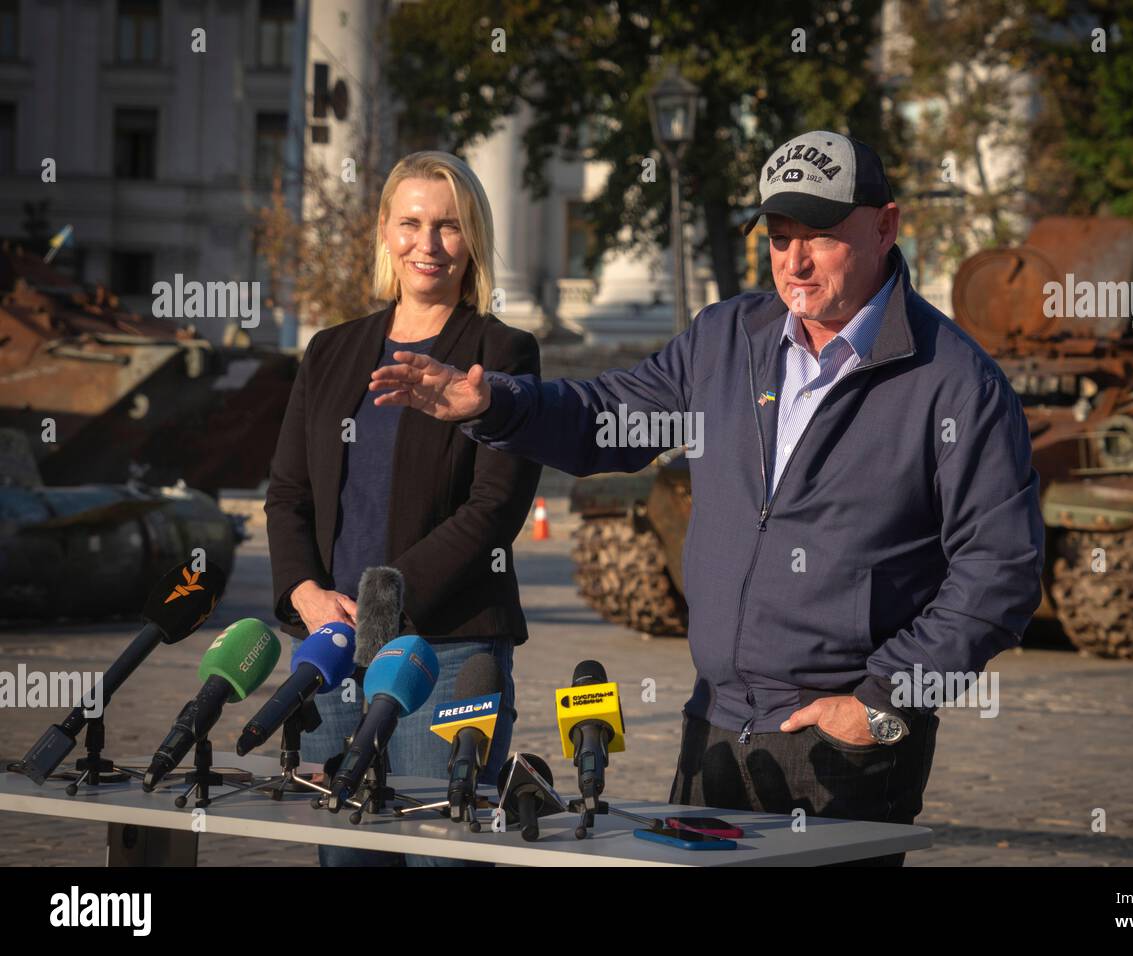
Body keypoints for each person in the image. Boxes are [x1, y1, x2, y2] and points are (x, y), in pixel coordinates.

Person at [370, 131, 1045, 865]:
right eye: (779, 237)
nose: (795, 261)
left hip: (844, 753)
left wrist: (881, 703)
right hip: (714, 732)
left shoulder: (956, 382)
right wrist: (493, 404)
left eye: (820, 235)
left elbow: (1000, 573)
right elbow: (608, 418)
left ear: (886, 225)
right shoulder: (728, 336)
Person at [264, 150, 541, 866]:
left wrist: (383, 600)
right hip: (331, 651)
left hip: (444, 653)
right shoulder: (330, 352)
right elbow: (289, 492)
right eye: (412, 222)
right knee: (348, 857)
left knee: (438, 853)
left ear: (473, 237)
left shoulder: (501, 350)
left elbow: (494, 509)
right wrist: (304, 592)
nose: (429, 244)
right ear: (385, 231)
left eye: (449, 226)